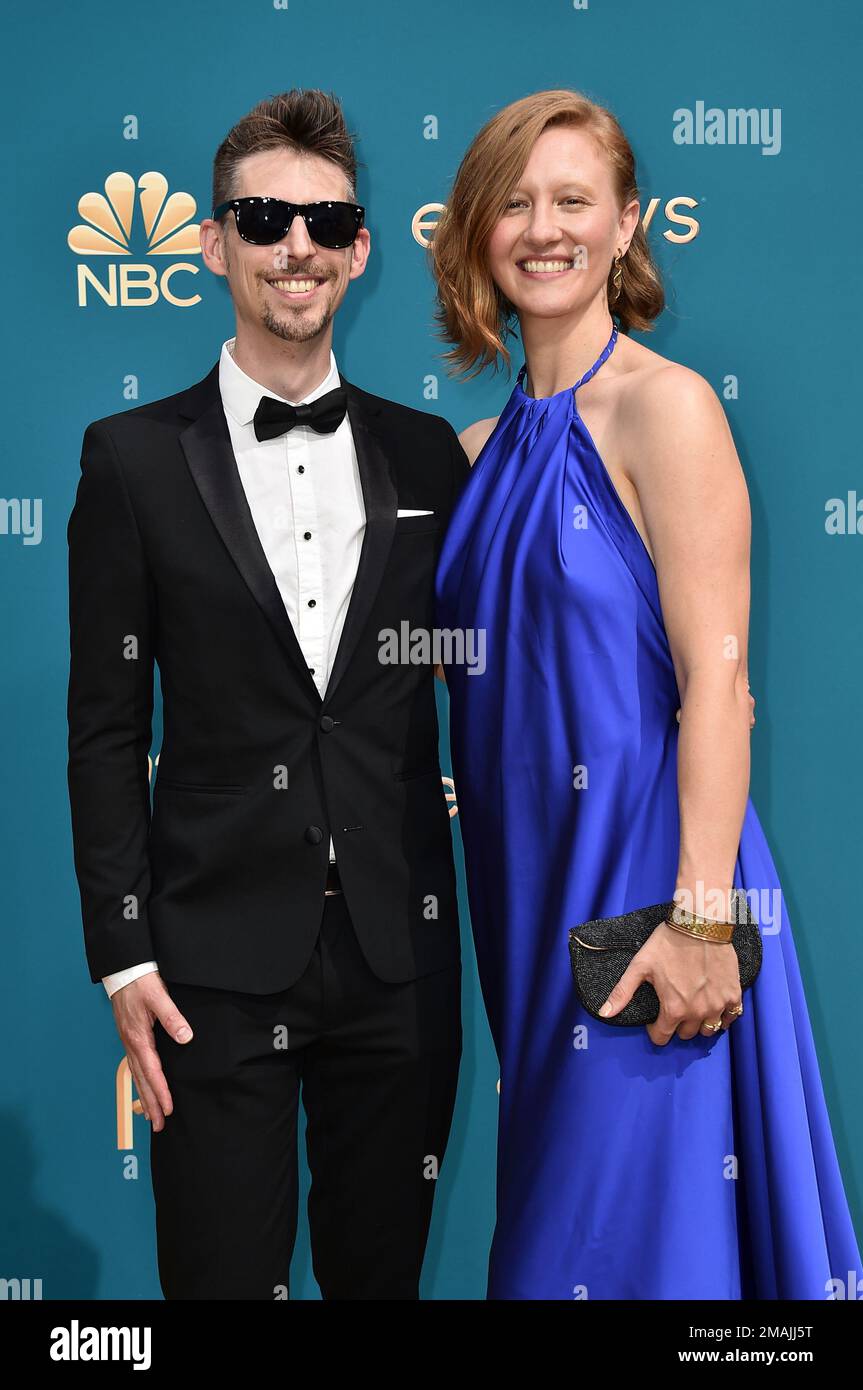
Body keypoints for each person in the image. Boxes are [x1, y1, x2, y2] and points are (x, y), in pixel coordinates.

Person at [432, 88, 862, 1299]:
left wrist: (701, 919)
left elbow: (716, 684)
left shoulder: (664, 408)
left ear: (626, 224)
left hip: (649, 913)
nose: (543, 228)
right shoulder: (471, 458)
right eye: (513, 202)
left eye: (573, 200)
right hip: (527, 923)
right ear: (475, 232)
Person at [66, 88, 469, 1300]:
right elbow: (104, 727)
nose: (296, 244)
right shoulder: (131, 458)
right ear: (212, 242)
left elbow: (486, 665)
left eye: (325, 221)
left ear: (360, 249)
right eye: (262, 217)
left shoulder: (426, 453)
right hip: (211, 962)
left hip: (398, 955)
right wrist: (123, 956)